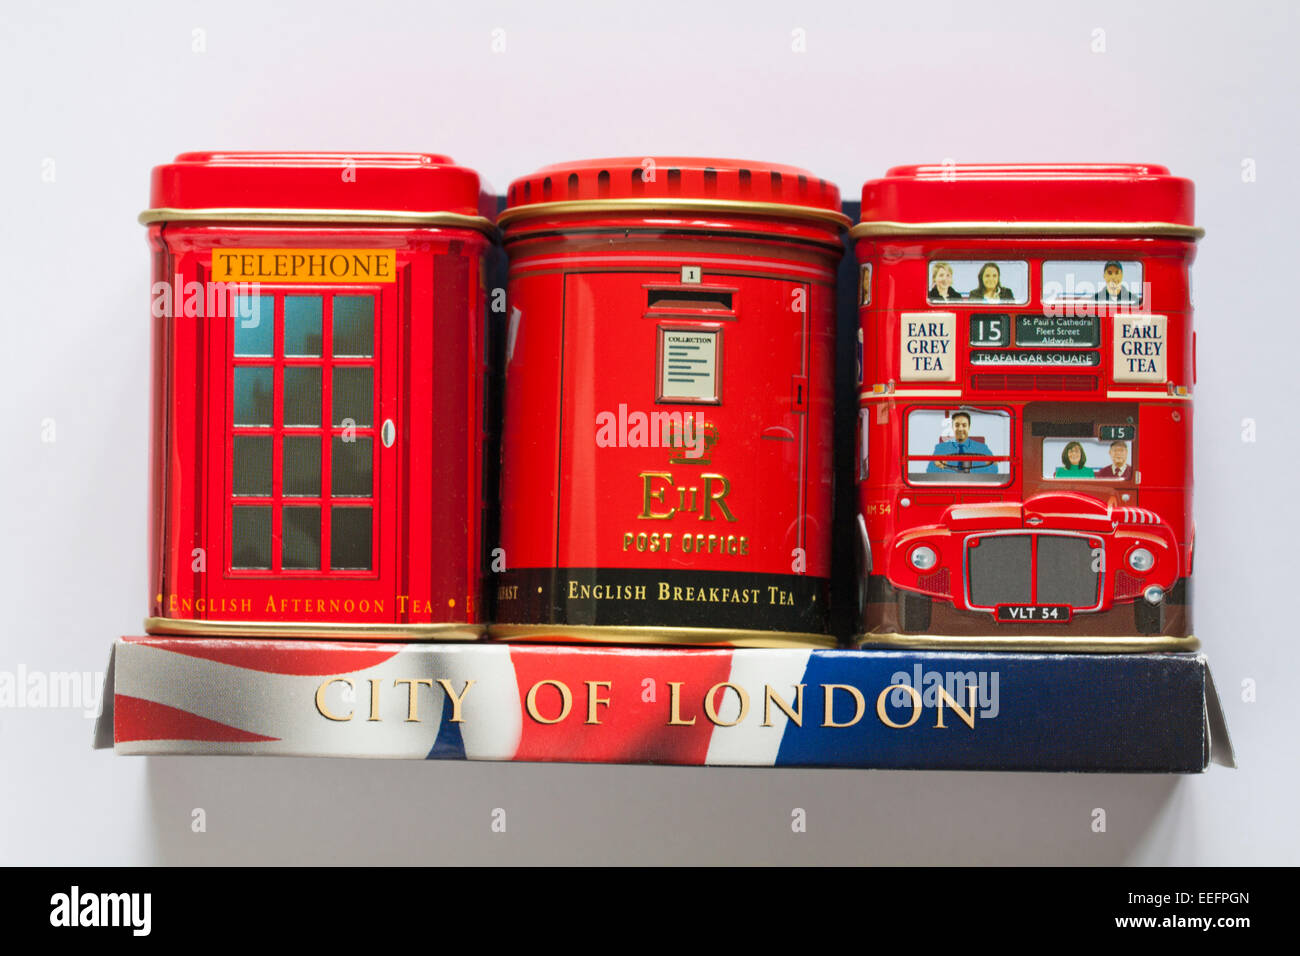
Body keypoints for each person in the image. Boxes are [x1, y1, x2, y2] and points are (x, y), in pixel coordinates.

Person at [927, 411, 997, 474]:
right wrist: (937, 466)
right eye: (957, 425)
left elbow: (994, 470)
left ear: (969, 427)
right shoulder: (941, 448)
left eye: (964, 425)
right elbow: (929, 471)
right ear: (952, 427)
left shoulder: (982, 448)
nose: (960, 429)